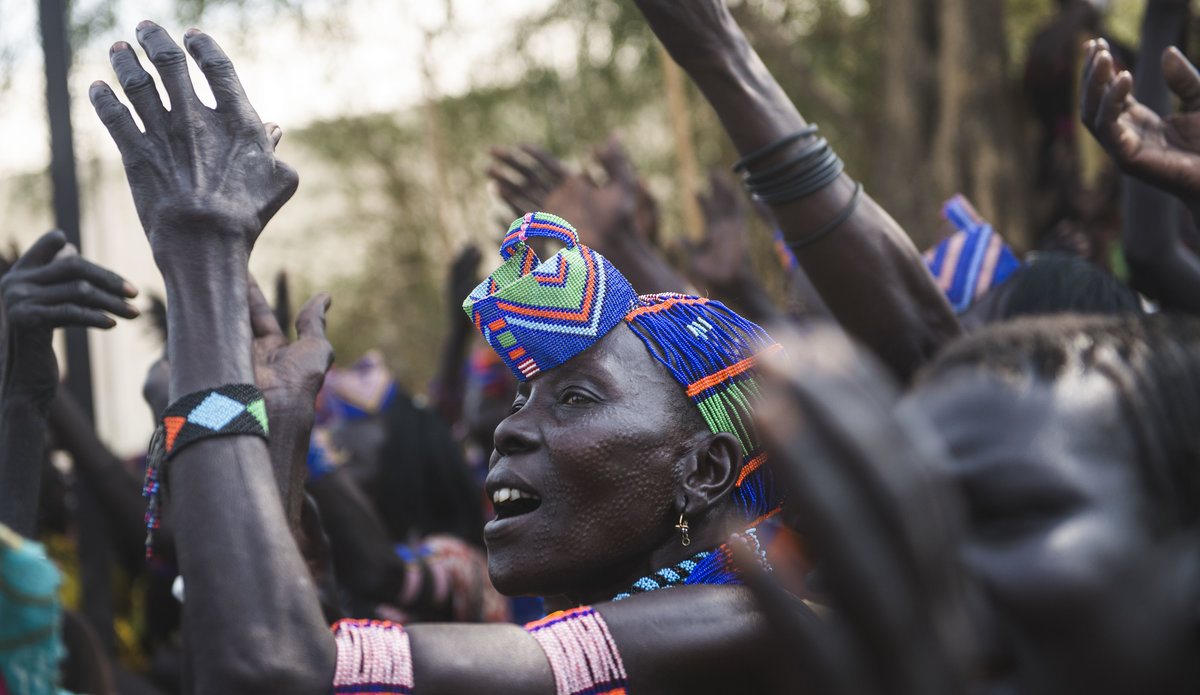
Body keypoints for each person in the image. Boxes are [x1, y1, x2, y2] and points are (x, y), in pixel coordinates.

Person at [89, 21, 789, 694]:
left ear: (703, 469)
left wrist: (202, 252)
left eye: (576, 397)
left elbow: (272, 671)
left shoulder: (746, 625)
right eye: (523, 397)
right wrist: (276, 435)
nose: (508, 428)